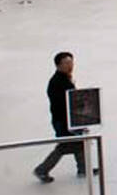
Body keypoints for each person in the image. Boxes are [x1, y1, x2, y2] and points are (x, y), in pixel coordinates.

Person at [33, 52, 92, 182]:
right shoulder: (57, 82)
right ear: (58, 65)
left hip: (68, 119)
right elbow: (63, 103)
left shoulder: (64, 78)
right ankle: (42, 170)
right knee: (64, 147)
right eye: (66, 63)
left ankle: (83, 169)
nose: (70, 65)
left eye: (71, 62)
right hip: (63, 121)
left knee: (79, 143)